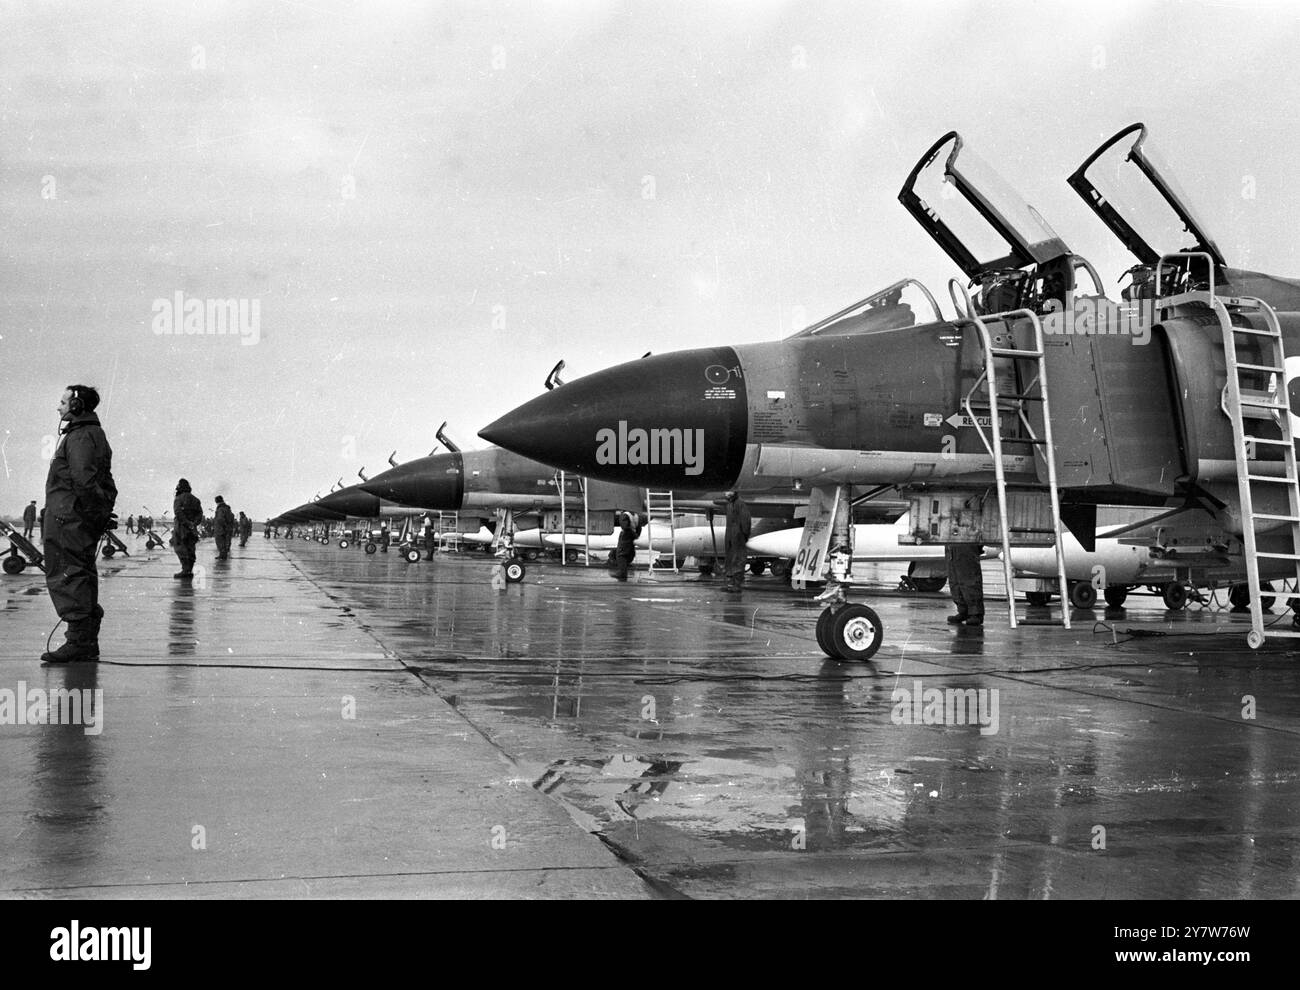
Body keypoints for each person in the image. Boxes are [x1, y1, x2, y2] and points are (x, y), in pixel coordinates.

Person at [41, 385, 116, 664]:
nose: (58, 408)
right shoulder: (88, 434)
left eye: (62, 402)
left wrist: (93, 514)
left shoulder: (81, 435)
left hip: (69, 518)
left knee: (67, 573)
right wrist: (99, 512)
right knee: (79, 572)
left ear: (76, 405)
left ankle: (79, 641)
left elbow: (84, 479)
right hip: (74, 516)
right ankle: (84, 641)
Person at [715, 490, 751, 592]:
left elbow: (746, 521)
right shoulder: (730, 504)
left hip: (738, 536)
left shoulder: (740, 504)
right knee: (730, 559)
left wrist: (743, 535)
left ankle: (737, 584)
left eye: (728, 492)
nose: (725, 494)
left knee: (738, 559)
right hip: (730, 536)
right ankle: (730, 583)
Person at [944, 543, 985, 627]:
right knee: (955, 579)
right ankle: (964, 611)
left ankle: (975, 613)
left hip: (965, 541)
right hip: (952, 543)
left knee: (968, 576)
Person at [171, 479, 203, 579]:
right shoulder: (196, 500)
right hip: (192, 529)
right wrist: (193, 524)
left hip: (181, 527)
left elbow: (178, 513)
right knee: (190, 548)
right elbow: (200, 514)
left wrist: (187, 523)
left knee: (180, 548)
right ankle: (189, 570)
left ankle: (185, 570)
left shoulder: (178, 498)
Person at [611, 509, 642, 581]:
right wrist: (635, 535)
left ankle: (622, 574)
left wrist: (630, 534)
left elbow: (625, 527)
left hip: (625, 536)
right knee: (628, 554)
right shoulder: (636, 515)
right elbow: (639, 528)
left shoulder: (625, 515)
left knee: (621, 555)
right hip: (632, 538)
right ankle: (623, 573)